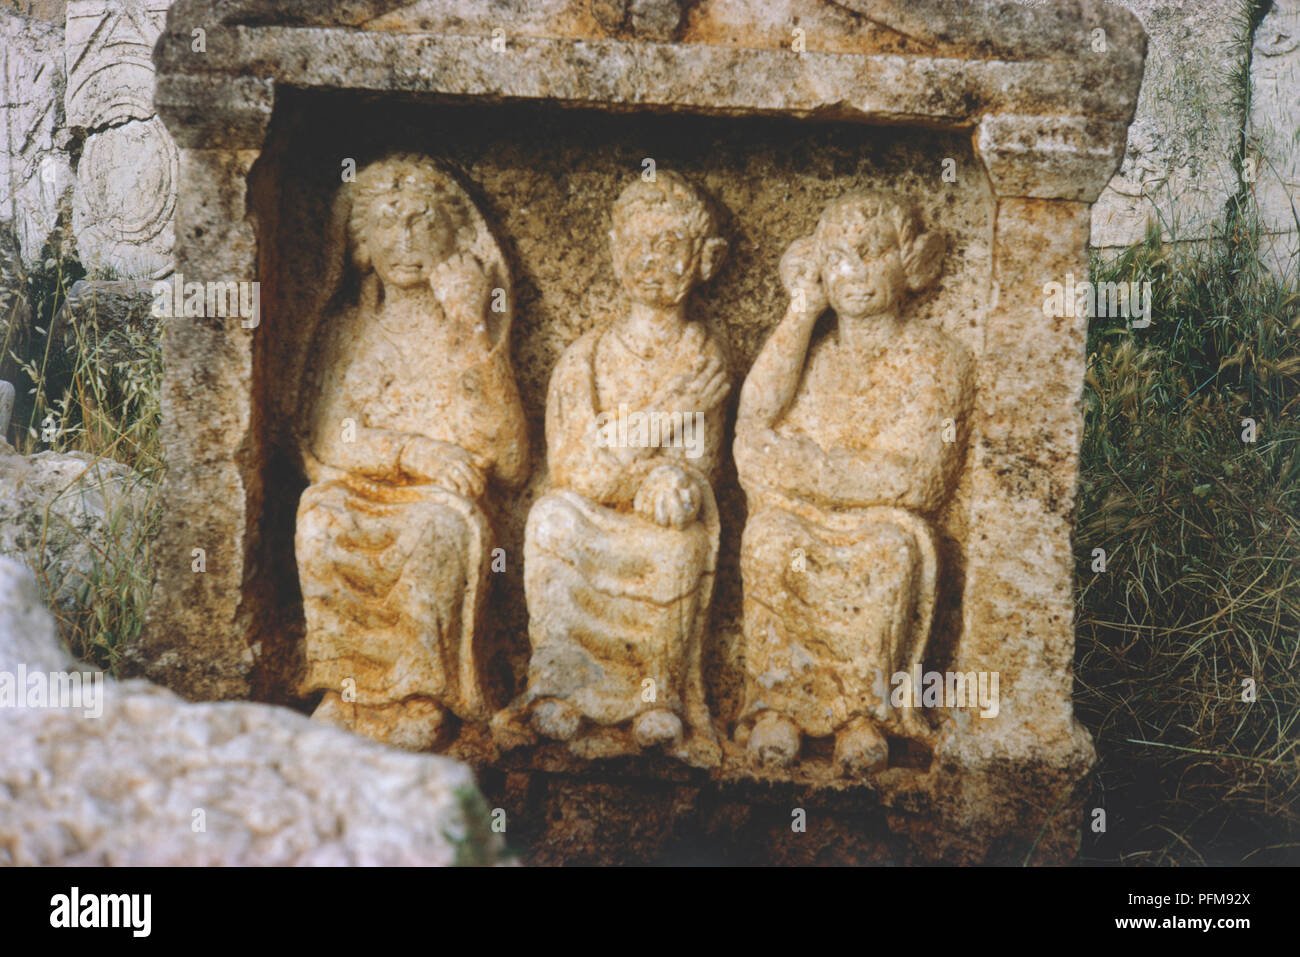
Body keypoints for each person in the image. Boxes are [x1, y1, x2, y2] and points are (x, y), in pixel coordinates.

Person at [733, 190, 973, 775]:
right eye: (837, 257)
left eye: (872, 253)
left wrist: (805, 466)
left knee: (886, 555)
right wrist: (799, 311)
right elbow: (751, 432)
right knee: (768, 539)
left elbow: (919, 481)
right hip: (800, 519)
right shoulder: (809, 355)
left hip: (881, 526)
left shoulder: (937, 359)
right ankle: (778, 706)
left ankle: (864, 716)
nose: (855, 273)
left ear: (911, 262)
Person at [494, 172, 729, 766]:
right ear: (614, 251)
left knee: (678, 542)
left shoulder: (705, 356)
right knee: (550, 519)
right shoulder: (587, 356)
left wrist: (666, 474)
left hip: (659, 517)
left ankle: (659, 695)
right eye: (637, 245)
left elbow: (701, 461)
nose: (650, 261)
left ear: (705, 260)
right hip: (590, 513)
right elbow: (575, 466)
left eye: (669, 246)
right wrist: (664, 420)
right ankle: (560, 686)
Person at [296, 154, 527, 750]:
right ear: (362, 243)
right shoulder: (347, 329)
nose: (406, 241)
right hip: (364, 486)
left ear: (456, 240)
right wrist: (414, 453)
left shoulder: (469, 332)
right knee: (320, 519)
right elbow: (331, 436)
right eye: (388, 224)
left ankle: (420, 692)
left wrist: (471, 323)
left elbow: (510, 459)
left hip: (440, 502)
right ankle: (346, 689)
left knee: (429, 531)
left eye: (424, 224)